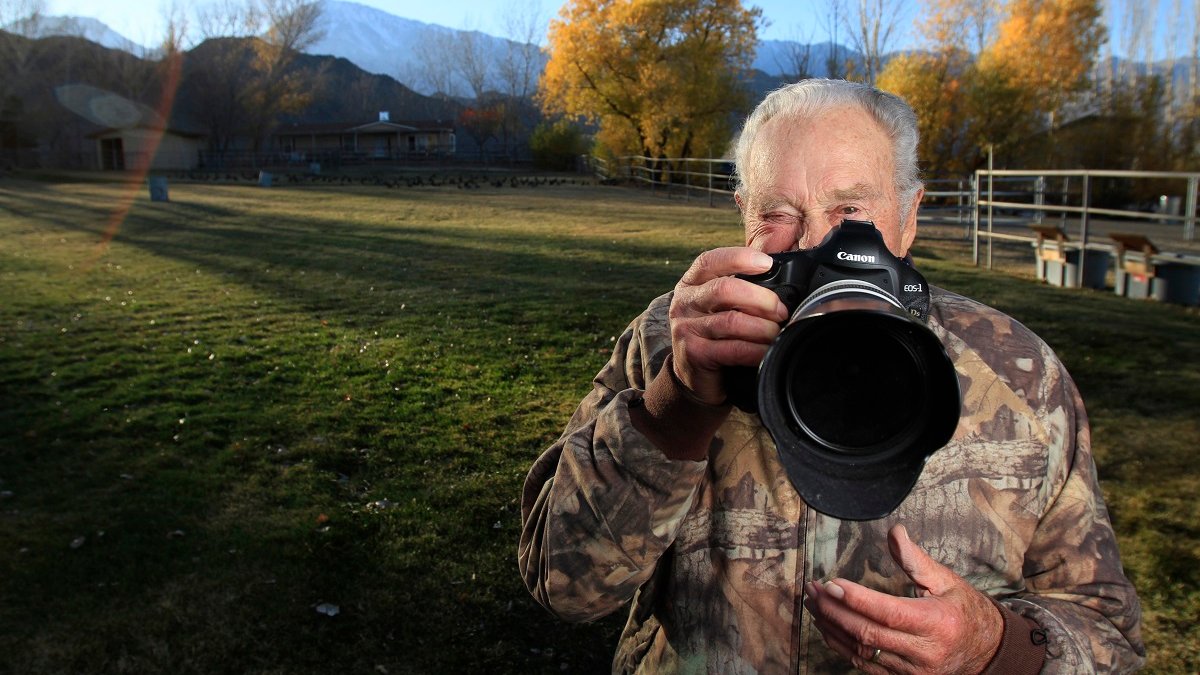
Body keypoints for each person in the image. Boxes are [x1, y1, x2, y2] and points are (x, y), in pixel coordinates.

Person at [518, 79, 1145, 673]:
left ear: (908, 214)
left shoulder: (1018, 370)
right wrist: (675, 402)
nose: (817, 246)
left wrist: (994, 649)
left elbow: (1107, 632)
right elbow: (560, 585)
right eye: (779, 215)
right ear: (744, 216)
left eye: (851, 209)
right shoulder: (673, 339)